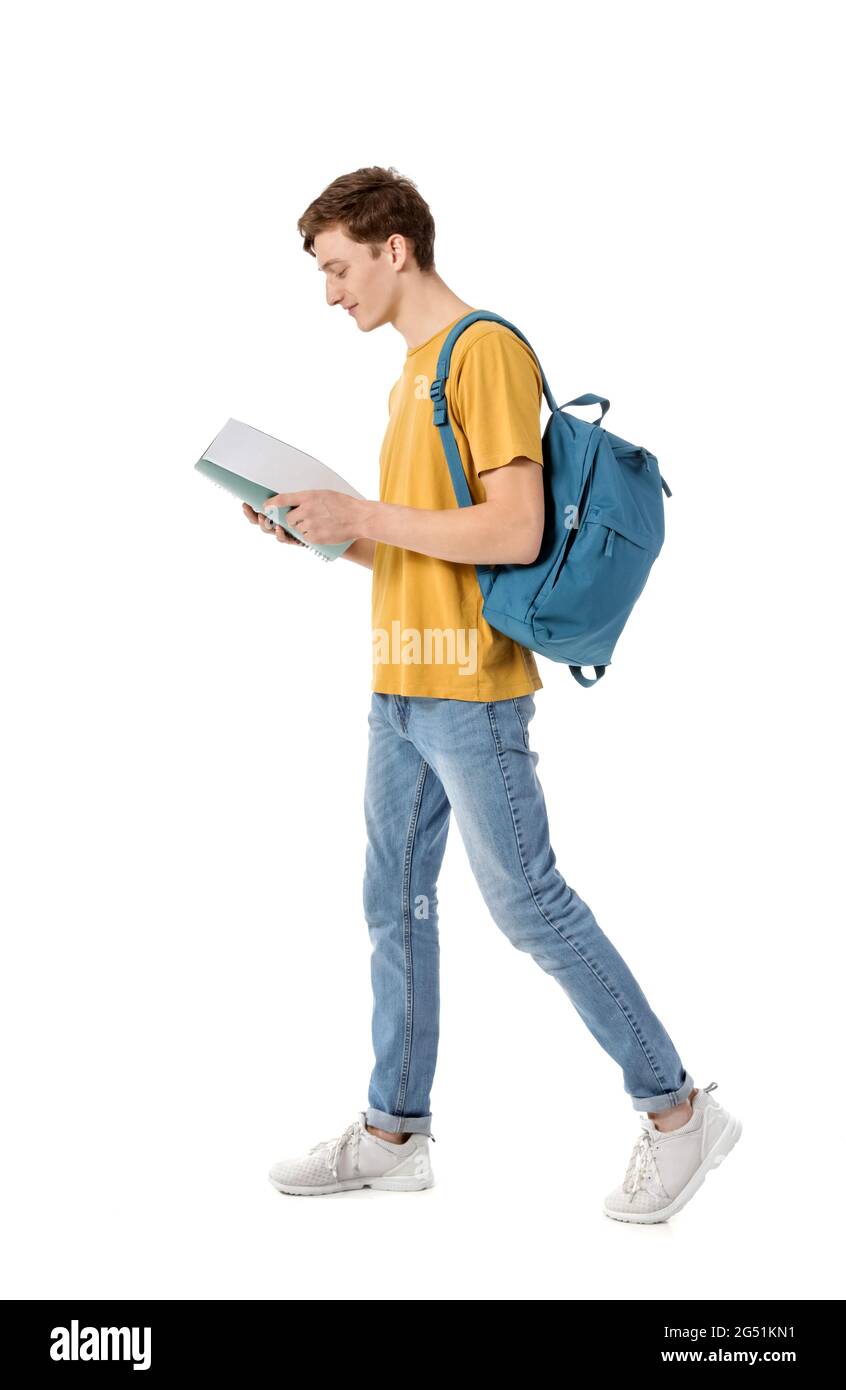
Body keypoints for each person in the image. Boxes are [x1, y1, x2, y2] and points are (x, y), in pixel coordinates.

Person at [253, 166, 741, 1222]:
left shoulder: (483, 353)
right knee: (394, 906)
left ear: (394, 247)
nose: (331, 292)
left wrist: (366, 512)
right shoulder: (413, 372)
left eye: (338, 267)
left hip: (469, 692)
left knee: (528, 903)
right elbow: (431, 550)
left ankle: (677, 1108)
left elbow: (514, 531)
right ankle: (394, 1132)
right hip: (400, 684)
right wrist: (324, 530)